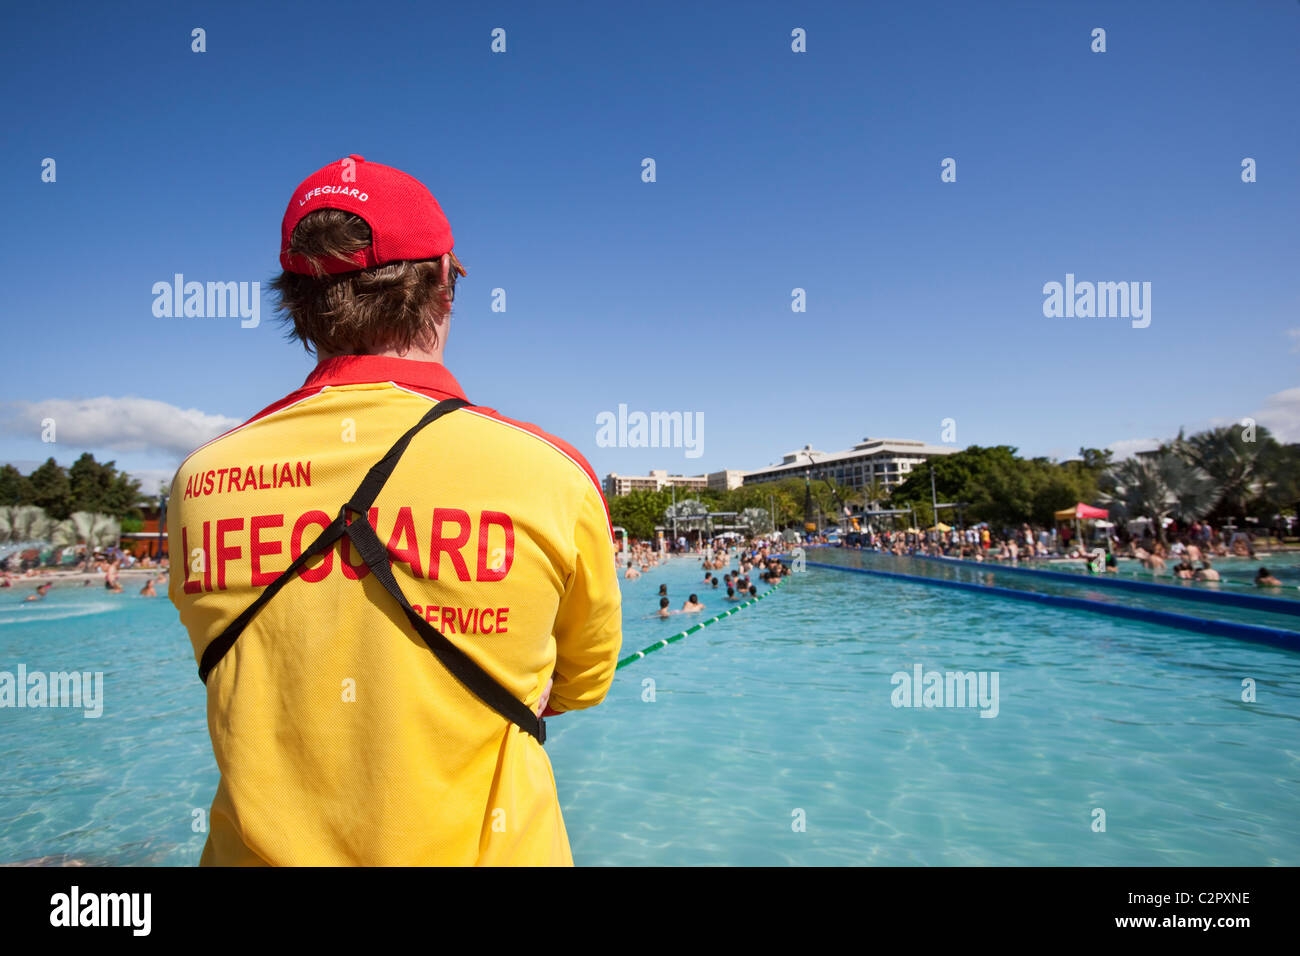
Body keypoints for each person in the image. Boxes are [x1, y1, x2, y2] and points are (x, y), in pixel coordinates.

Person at [168, 156, 622, 866]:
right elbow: (584, 682)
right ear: (444, 281)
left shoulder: (200, 481)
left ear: (294, 296)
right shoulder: (550, 473)